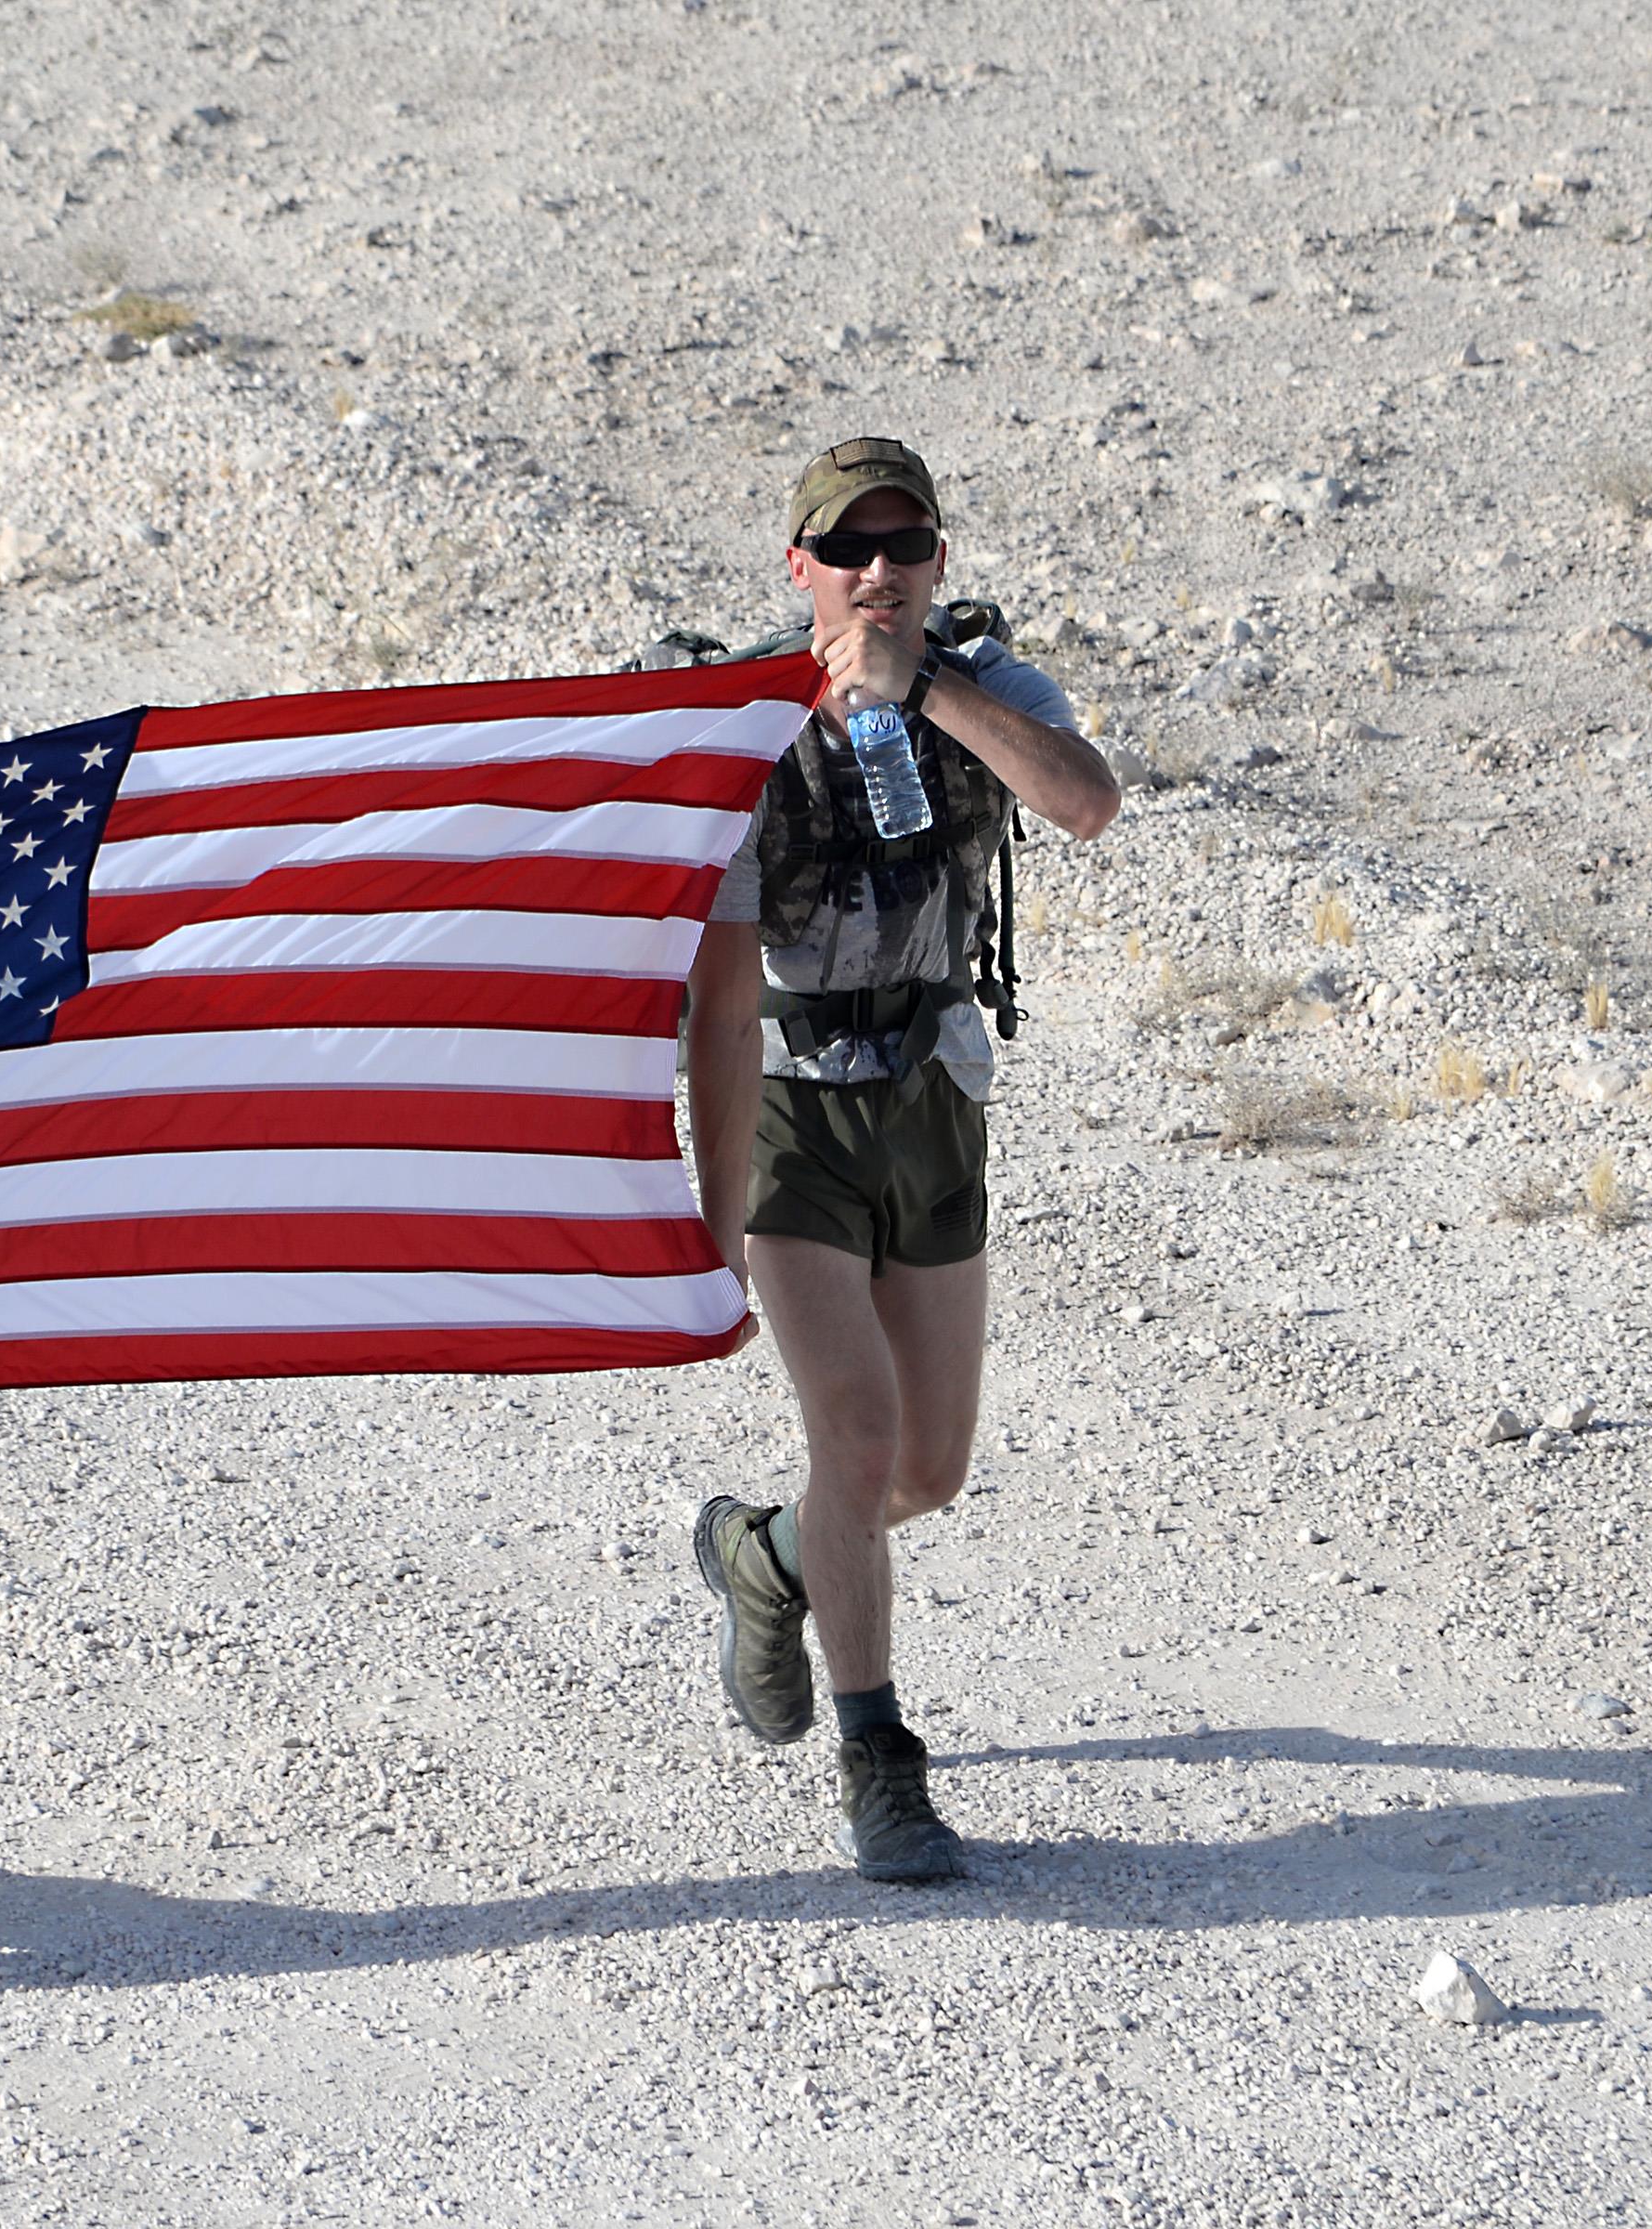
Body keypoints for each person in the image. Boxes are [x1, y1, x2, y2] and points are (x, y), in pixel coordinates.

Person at [683, 437, 1120, 1881]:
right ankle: (883, 1768)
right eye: (849, 548)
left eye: (908, 546)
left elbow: (1086, 801)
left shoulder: (988, 688)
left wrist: (925, 687)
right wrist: (708, 1222)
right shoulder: (737, 735)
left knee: (924, 1470)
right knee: (857, 1439)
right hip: (798, 1110)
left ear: (940, 560)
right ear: (796, 565)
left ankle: (771, 1559)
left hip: (931, 1094)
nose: (881, 572)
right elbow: (724, 1001)